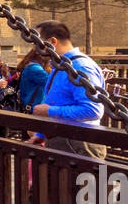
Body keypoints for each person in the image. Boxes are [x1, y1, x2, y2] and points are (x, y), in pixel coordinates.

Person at [31, 21, 109, 159]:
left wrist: (48, 111)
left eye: (37, 42)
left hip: (78, 143)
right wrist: (41, 134)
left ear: (52, 41)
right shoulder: (62, 65)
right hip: (65, 139)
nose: (34, 47)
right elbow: (60, 100)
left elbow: (92, 110)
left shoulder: (80, 67)